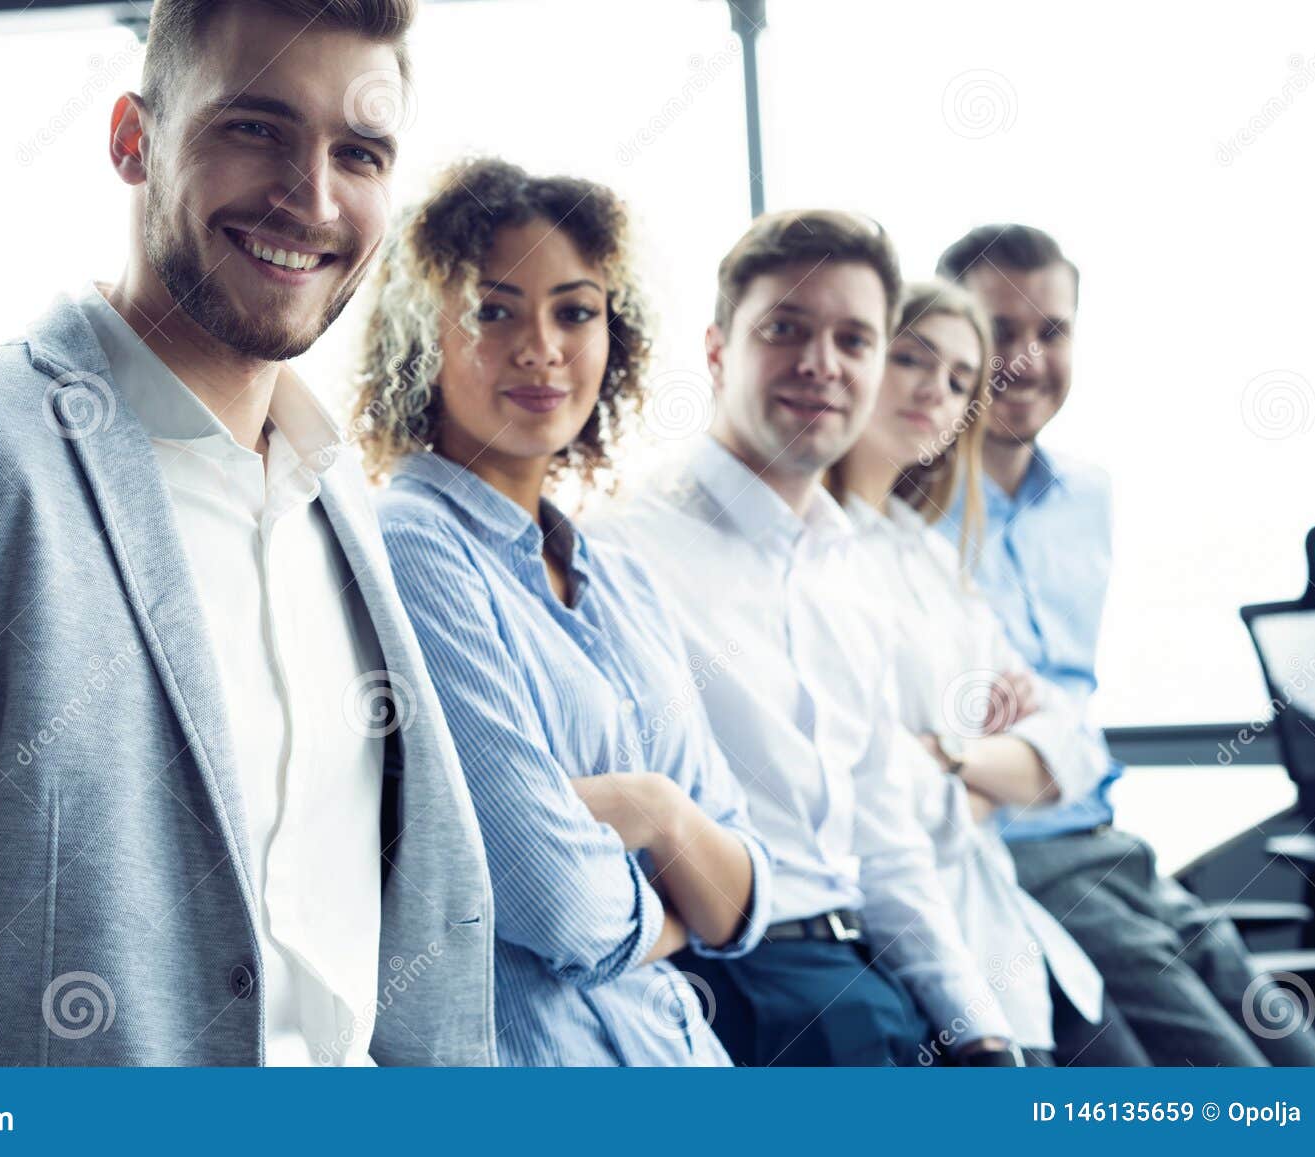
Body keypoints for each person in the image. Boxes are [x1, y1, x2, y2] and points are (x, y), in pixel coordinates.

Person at [0, 0, 497, 1067]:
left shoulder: (342, 501)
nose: (310, 196)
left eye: (357, 153)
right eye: (254, 129)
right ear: (132, 140)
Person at [357, 157, 770, 1066]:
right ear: (423, 335)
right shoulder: (410, 543)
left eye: (575, 310)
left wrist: (653, 811)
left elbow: (742, 894)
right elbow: (554, 899)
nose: (541, 346)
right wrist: (669, 869)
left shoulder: (622, 576)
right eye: (493, 310)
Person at [594, 210, 1019, 1066]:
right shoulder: (621, 553)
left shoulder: (846, 567)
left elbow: (885, 839)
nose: (822, 364)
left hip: (872, 974)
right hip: (742, 987)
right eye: (785, 328)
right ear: (717, 351)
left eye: (855, 339)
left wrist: (977, 1024)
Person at [935, 223, 1315, 1066]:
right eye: (1000, 330)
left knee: (1301, 1062)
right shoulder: (905, 515)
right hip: (1009, 853)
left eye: (1052, 331)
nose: (1028, 359)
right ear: (947, 341)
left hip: (1110, 838)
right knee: (1235, 1080)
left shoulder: (1088, 496)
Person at [829, 278, 1149, 1065]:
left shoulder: (932, 554)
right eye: (912, 358)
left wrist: (947, 754)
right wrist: (977, 776)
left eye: (961, 380)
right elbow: (863, 792)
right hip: (911, 945)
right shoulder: (815, 552)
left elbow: (1066, 748)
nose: (937, 390)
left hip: (997, 932)